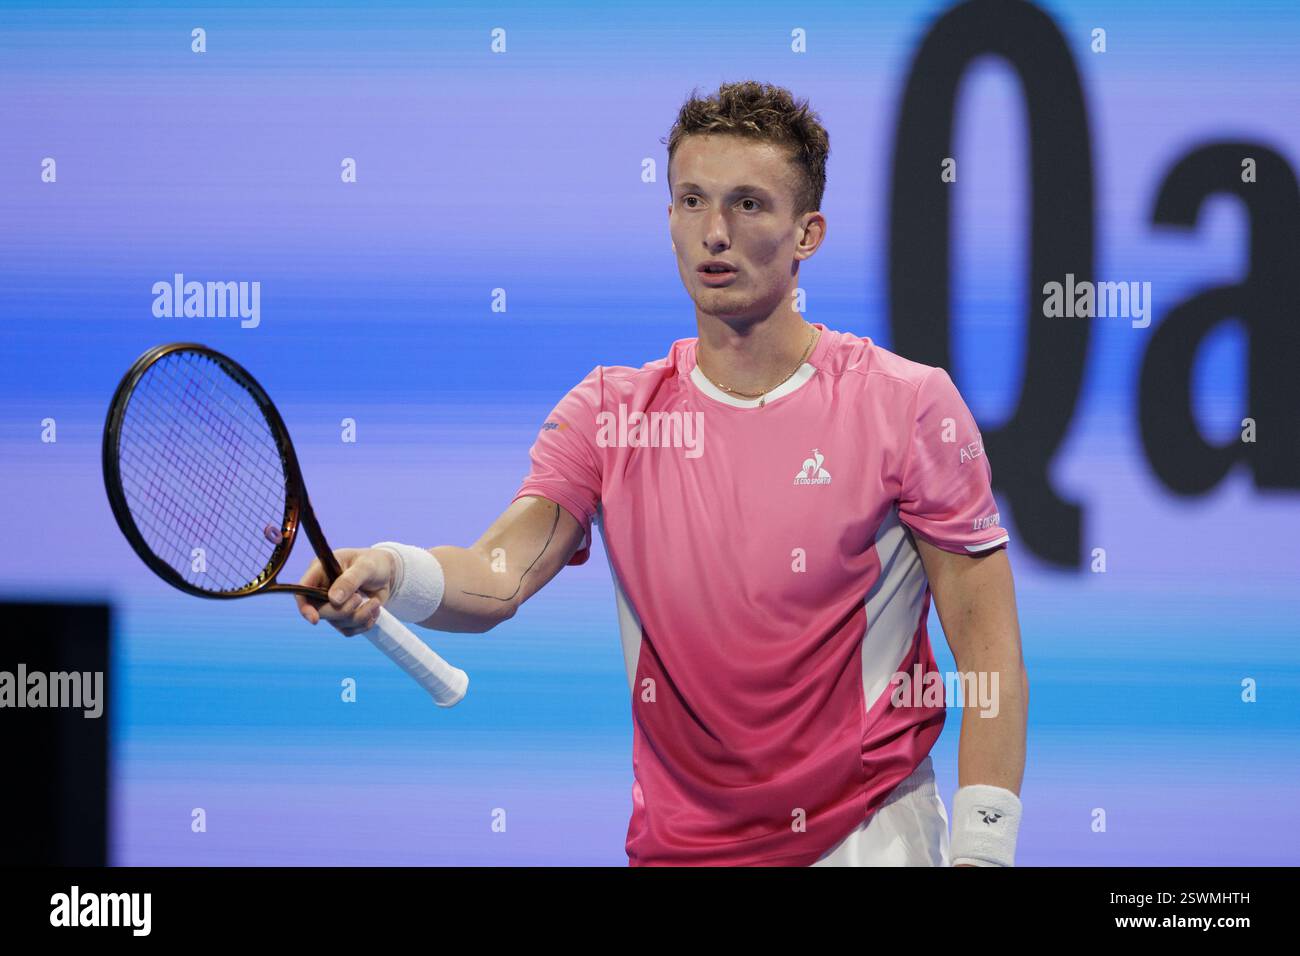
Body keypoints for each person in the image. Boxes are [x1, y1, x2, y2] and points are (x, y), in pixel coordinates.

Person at [295, 80, 1028, 867]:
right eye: (691, 201)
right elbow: (497, 577)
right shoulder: (609, 413)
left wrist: (984, 857)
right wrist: (388, 570)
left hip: (866, 836)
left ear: (807, 232)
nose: (715, 232)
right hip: (676, 850)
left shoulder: (907, 405)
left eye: (749, 204)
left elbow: (988, 654)